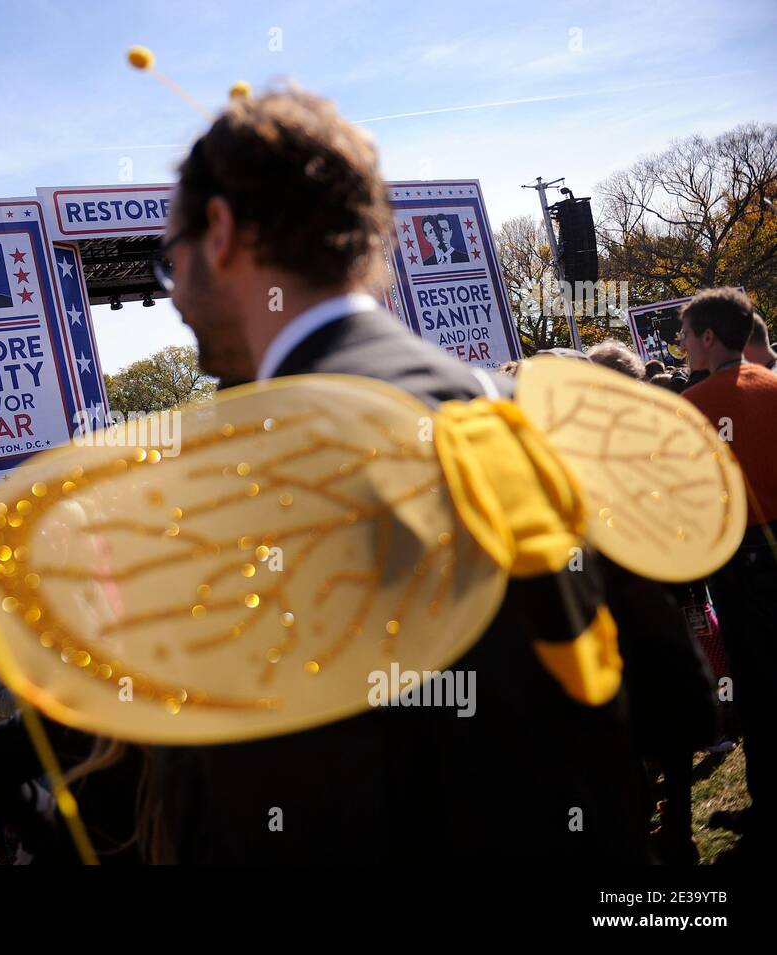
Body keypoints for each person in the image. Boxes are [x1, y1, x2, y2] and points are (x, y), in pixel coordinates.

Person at [141, 86, 657, 861]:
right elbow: (674, 694)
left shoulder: (237, 480)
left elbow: (251, 812)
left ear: (218, 232)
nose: (171, 291)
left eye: (167, 257)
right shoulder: (524, 406)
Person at [679, 287, 777, 856]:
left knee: (758, 689)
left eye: (688, 333)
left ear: (710, 337)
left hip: (741, 561)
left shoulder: (694, 405)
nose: (684, 343)